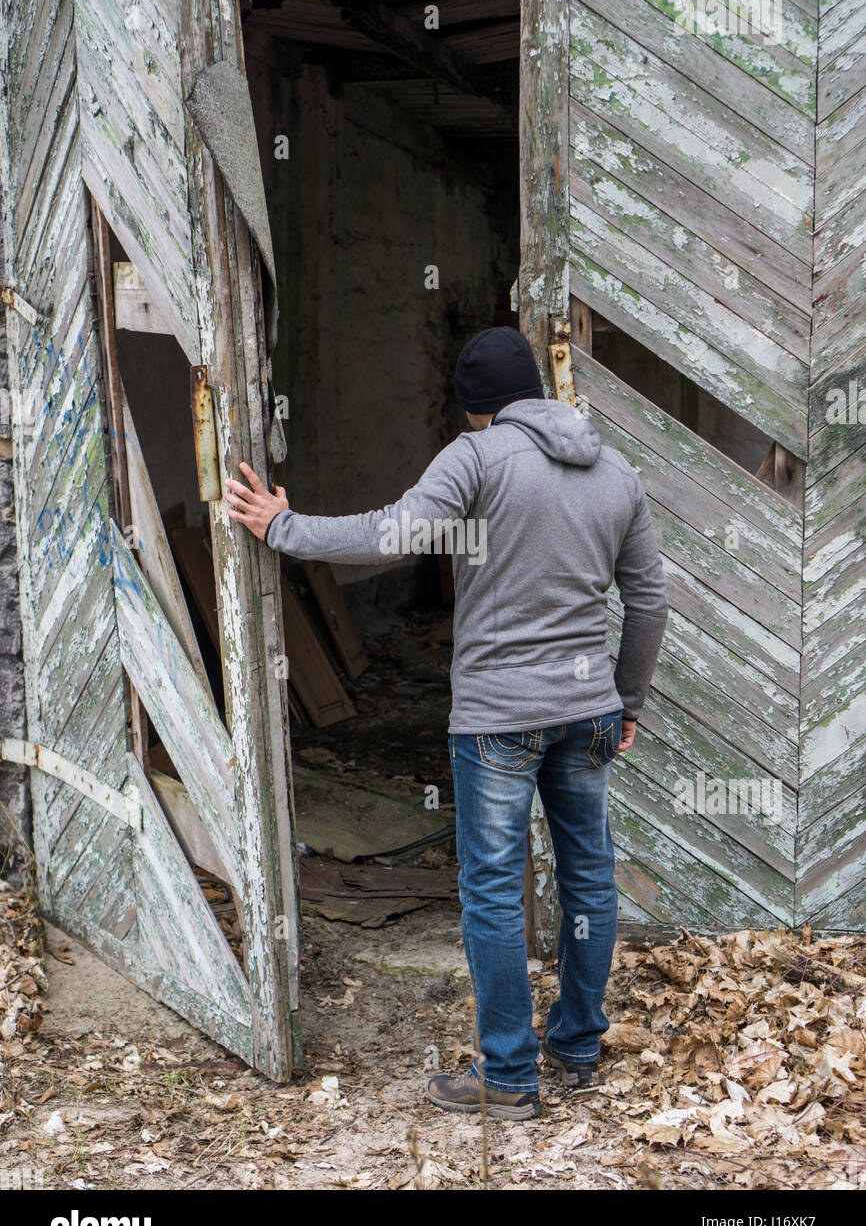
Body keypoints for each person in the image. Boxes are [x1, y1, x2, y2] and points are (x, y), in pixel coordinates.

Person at [225, 325, 668, 1121]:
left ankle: (509, 1076)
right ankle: (575, 1046)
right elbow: (650, 602)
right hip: (589, 710)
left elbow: (389, 533)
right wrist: (626, 700)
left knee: (493, 890)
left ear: (474, 409)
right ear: (536, 391)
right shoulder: (615, 469)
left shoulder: (476, 457)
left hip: (501, 716)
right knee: (588, 879)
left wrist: (284, 527)